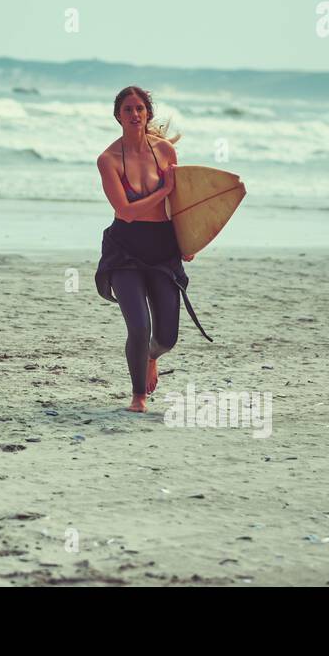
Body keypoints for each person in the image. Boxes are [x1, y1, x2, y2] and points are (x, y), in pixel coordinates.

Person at [94, 86, 207, 413]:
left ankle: (152, 357)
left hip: (163, 248)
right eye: (127, 109)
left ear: (148, 114)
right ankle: (138, 396)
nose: (134, 114)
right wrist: (165, 190)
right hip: (125, 249)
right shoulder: (108, 160)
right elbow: (126, 211)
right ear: (118, 115)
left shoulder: (165, 153)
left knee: (167, 336)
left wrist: (188, 240)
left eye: (139, 109)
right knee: (139, 327)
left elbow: (179, 203)